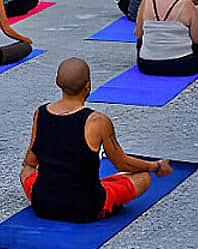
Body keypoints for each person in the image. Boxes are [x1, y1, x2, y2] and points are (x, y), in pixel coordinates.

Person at [20, 58, 171, 222]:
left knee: (26, 172)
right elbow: (121, 163)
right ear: (88, 85)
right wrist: (154, 166)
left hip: (43, 204)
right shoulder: (98, 121)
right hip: (86, 207)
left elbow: (30, 162)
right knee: (143, 177)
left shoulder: (40, 113)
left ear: (57, 82)